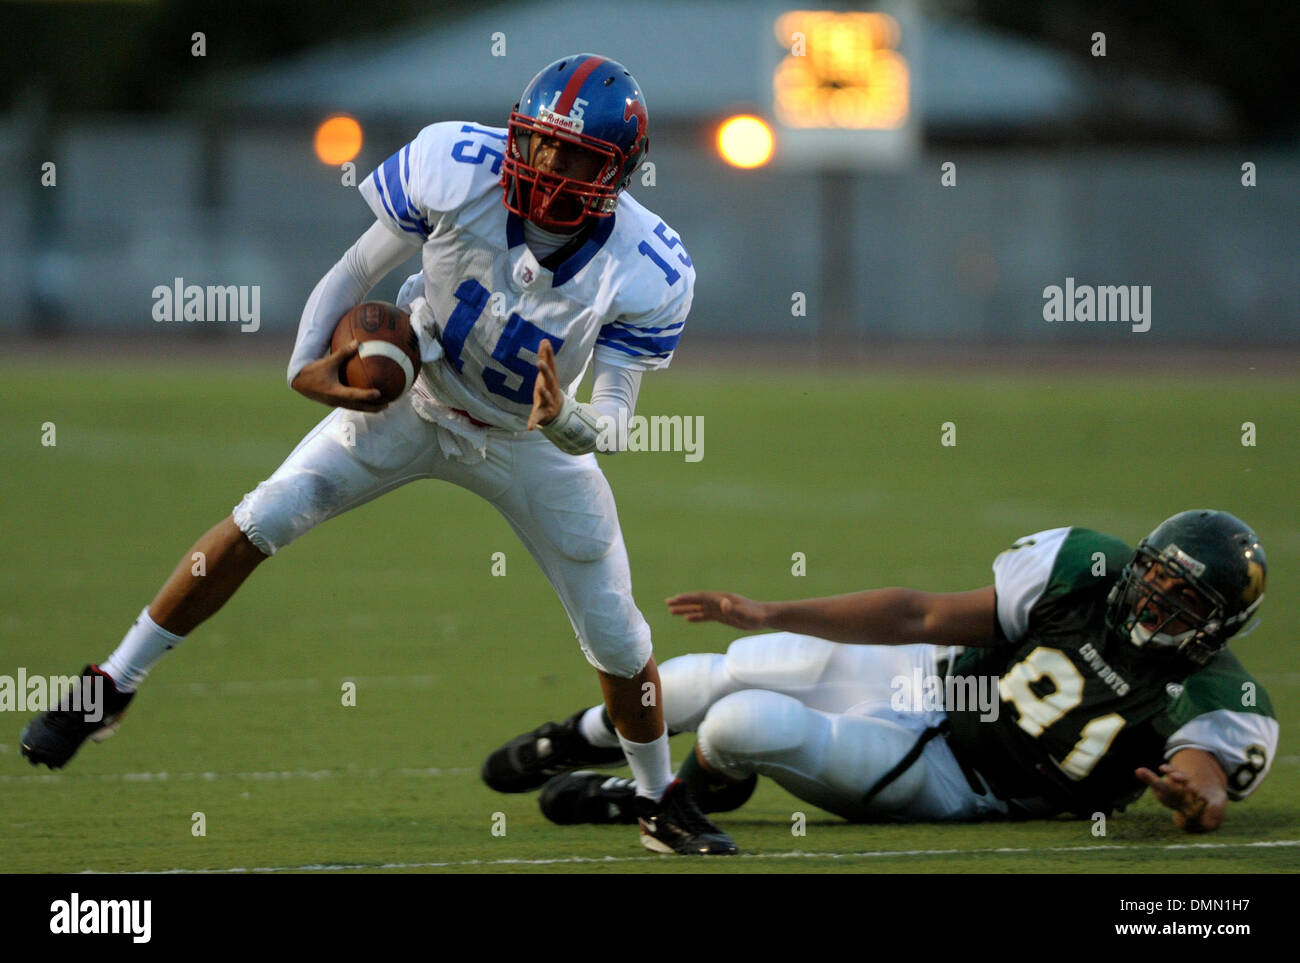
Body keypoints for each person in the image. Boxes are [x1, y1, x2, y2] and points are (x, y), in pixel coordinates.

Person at [21, 53, 735, 856]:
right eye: (536, 144)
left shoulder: (649, 265)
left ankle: (656, 802)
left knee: (617, 630)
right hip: (416, 391)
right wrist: (301, 367)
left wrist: (566, 420)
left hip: (528, 441)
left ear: (618, 173)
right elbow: (358, 269)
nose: (543, 166)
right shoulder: (457, 165)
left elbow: (616, 419)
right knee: (268, 511)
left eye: (571, 156)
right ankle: (112, 684)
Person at [483, 510, 1277, 834]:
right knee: (741, 666)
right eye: (1156, 578)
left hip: (961, 777)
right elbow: (920, 616)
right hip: (934, 678)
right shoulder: (1084, 568)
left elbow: (1204, 775)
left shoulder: (1218, 696)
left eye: (1184, 600)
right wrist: (771, 611)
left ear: (1219, 626)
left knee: (743, 723)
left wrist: (1192, 797)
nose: (1155, 599)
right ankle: (573, 738)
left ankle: (652, 801)